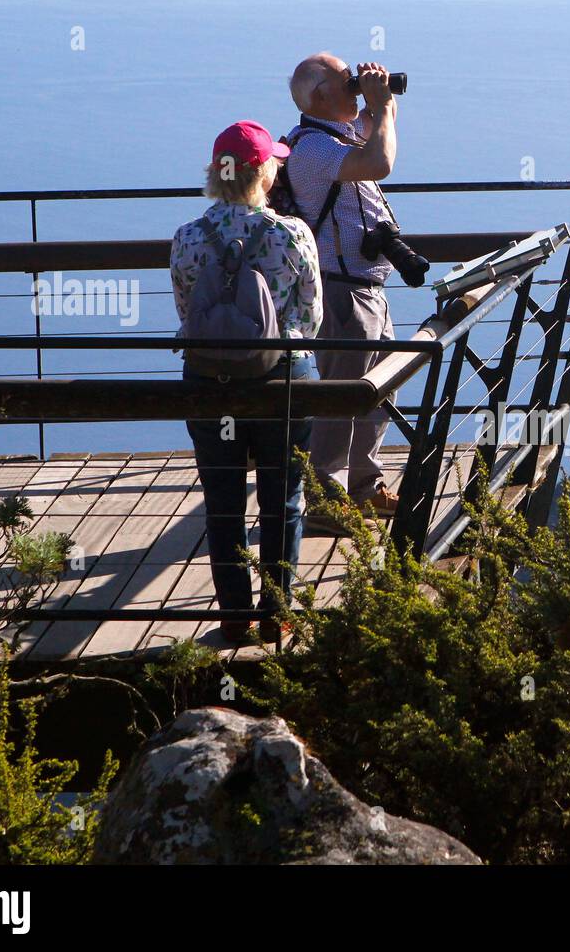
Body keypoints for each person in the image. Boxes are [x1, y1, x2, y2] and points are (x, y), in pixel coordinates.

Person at [169, 120, 322, 642]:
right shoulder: (291, 234)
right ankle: (276, 612)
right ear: (266, 173)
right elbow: (311, 319)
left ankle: (233, 616)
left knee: (223, 497)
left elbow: (189, 313)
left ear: (217, 172)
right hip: (281, 379)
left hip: (211, 381)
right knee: (285, 495)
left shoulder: (186, 237)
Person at [284, 53, 402, 525]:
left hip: (366, 288)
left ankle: (364, 487)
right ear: (319, 96)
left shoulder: (338, 135)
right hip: (341, 292)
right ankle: (325, 502)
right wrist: (383, 108)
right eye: (345, 83)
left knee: (380, 391)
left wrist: (380, 101)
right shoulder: (312, 148)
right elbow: (381, 162)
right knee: (339, 398)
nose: (354, 88)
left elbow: (376, 140)